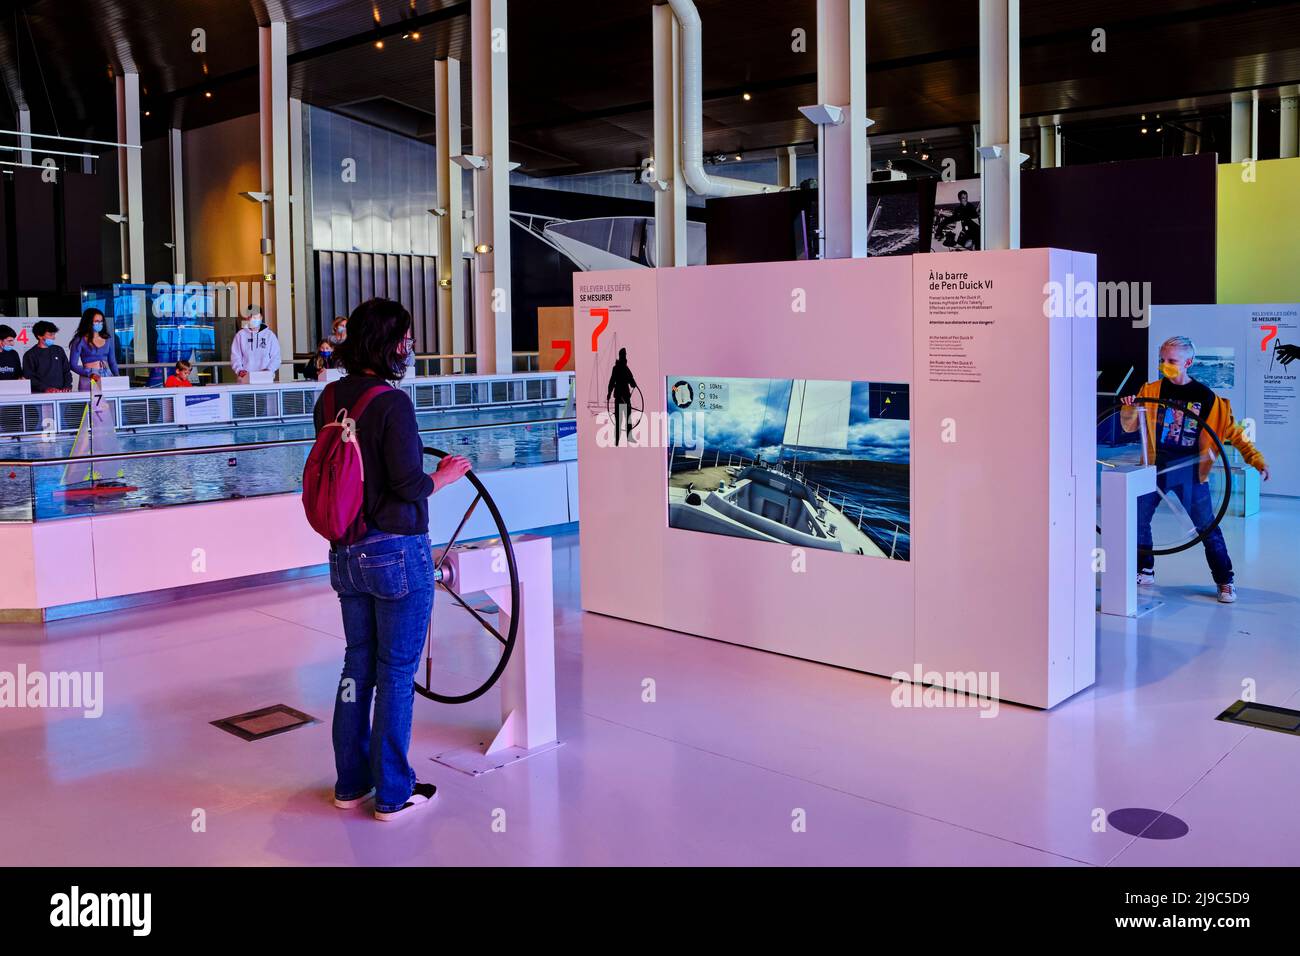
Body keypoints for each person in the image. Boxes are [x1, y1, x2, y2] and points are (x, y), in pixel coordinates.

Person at [315, 297, 471, 822]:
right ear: (387, 343)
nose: (408, 347)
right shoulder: (392, 403)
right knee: (398, 673)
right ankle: (392, 793)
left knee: (356, 665)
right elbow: (408, 485)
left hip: (346, 553)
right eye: (404, 338)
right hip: (396, 554)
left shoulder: (331, 396)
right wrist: (445, 476)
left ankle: (351, 783)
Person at [1121, 335, 1269, 604]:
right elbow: (1130, 426)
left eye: (1172, 361)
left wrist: (1256, 460)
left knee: (1207, 529)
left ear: (1188, 362)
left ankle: (1225, 580)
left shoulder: (1208, 398)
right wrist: (1130, 407)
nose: (1165, 365)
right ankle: (1145, 569)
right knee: (1138, 520)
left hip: (1191, 473)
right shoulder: (1150, 390)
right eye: (1162, 360)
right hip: (1155, 469)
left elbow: (1234, 433)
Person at [68, 308, 120, 391]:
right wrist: (89, 373)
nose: (100, 323)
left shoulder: (107, 339)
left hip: (107, 375)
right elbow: (72, 365)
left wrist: (117, 377)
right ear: (88, 322)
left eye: (101, 321)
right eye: (96, 321)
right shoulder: (80, 340)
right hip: (89, 376)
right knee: (91, 403)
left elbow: (112, 362)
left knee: (109, 402)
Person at [230, 306, 281, 383]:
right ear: (247, 318)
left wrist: (268, 370)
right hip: (245, 380)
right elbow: (235, 357)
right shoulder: (240, 335)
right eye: (251, 316)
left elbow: (276, 357)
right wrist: (240, 371)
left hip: (265, 380)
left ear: (261, 317)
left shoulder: (270, 335)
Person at [22, 321, 72, 393]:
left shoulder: (59, 350)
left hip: (61, 394)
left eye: (54, 334)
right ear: (39, 336)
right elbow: (29, 377)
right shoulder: (30, 354)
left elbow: (66, 371)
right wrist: (45, 389)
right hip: (40, 395)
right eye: (50, 335)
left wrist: (67, 386)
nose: (53, 337)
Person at [606, 347, 637, 446]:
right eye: (624, 355)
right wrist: (609, 394)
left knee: (622, 419)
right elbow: (612, 382)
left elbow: (631, 382)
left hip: (621, 397)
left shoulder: (618, 368)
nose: (625, 356)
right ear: (622, 356)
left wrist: (609, 394)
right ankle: (623, 439)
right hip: (622, 397)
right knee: (624, 419)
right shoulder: (623, 368)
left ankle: (619, 440)